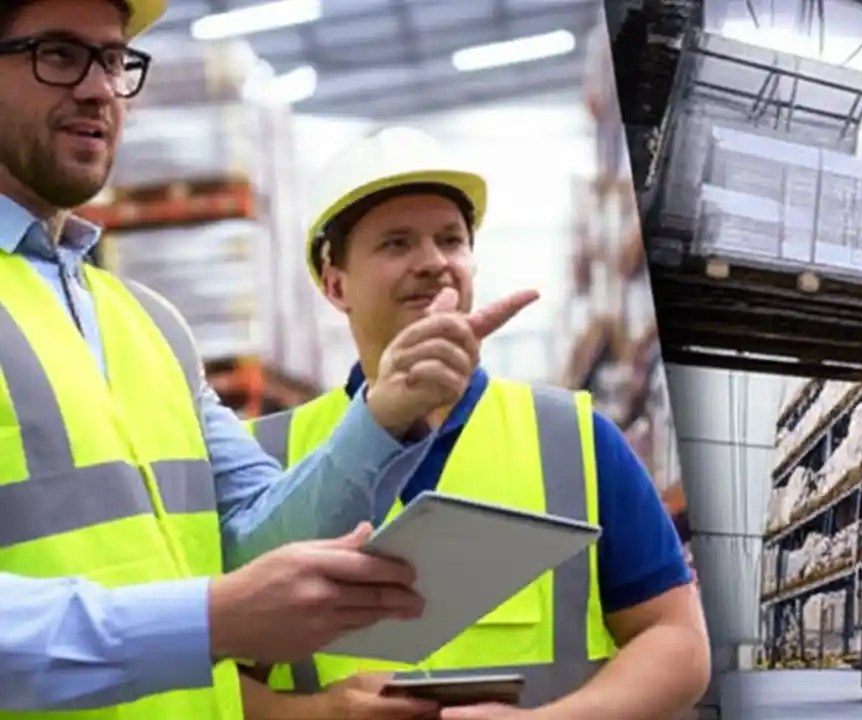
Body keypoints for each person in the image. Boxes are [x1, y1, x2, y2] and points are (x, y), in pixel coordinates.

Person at [0, 1, 534, 716]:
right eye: (59, 55)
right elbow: (224, 603)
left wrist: (384, 412)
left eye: (114, 60)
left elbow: (256, 538)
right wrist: (209, 621)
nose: (99, 88)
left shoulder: (148, 324)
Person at [237, 126, 712, 720]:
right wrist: (322, 714)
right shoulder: (268, 461)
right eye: (396, 244)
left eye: (450, 240)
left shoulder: (575, 442)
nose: (433, 262)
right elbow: (208, 678)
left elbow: (678, 640)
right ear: (336, 284)